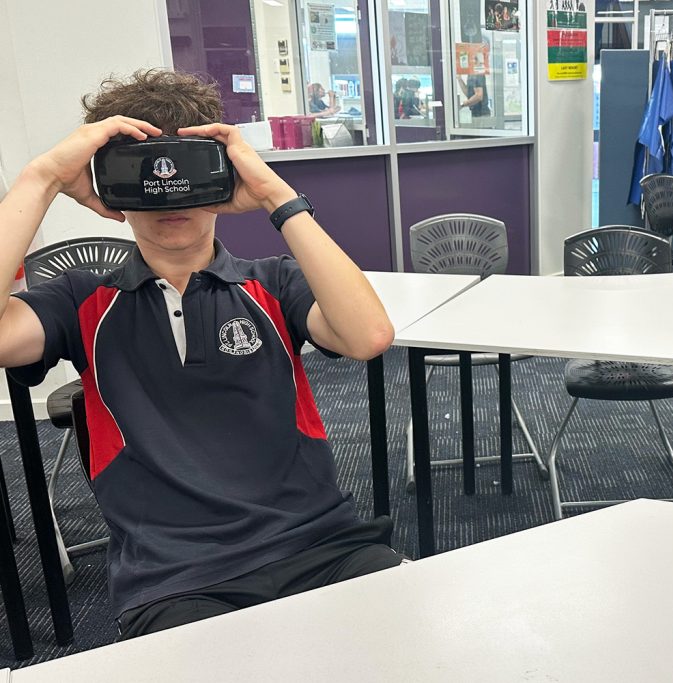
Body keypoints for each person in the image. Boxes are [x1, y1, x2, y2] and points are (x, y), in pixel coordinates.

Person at [0, 69, 403, 638]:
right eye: (146, 173)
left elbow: (368, 337)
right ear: (110, 183)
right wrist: (40, 178)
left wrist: (273, 194)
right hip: (176, 576)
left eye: (187, 170)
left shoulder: (275, 283)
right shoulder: (82, 301)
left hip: (321, 545)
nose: (169, 191)